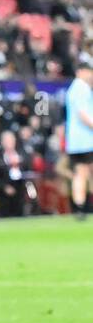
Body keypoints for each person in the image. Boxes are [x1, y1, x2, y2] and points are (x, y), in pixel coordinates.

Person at [65, 55, 93, 220]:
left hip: (76, 141)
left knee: (80, 173)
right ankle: (82, 206)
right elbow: (83, 115)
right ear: (81, 72)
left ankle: (80, 206)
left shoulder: (74, 88)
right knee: (82, 172)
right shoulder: (81, 88)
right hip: (85, 140)